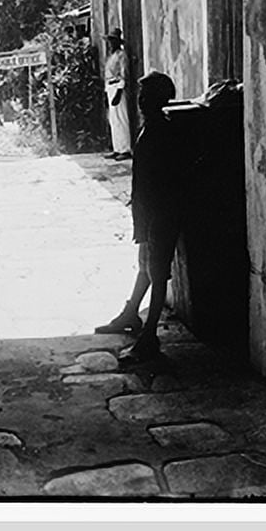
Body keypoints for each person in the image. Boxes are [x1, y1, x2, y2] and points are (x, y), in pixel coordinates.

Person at [94, 70, 185, 362]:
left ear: (161, 99)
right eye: (142, 96)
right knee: (145, 265)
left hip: (160, 213)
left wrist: (150, 215)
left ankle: (149, 336)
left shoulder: (162, 130)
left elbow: (164, 179)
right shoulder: (151, 127)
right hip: (149, 212)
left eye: (148, 96)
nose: (142, 101)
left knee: (157, 274)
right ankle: (131, 312)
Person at [103, 27, 132, 161]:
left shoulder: (121, 55)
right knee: (113, 120)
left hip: (117, 87)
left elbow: (124, 74)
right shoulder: (110, 56)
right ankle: (117, 148)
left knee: (121, 118)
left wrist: (119, 91)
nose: (110, 44)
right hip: (110, 87)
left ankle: (125, 149)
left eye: (112, 41)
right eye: (109, 41)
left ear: (117, 42)